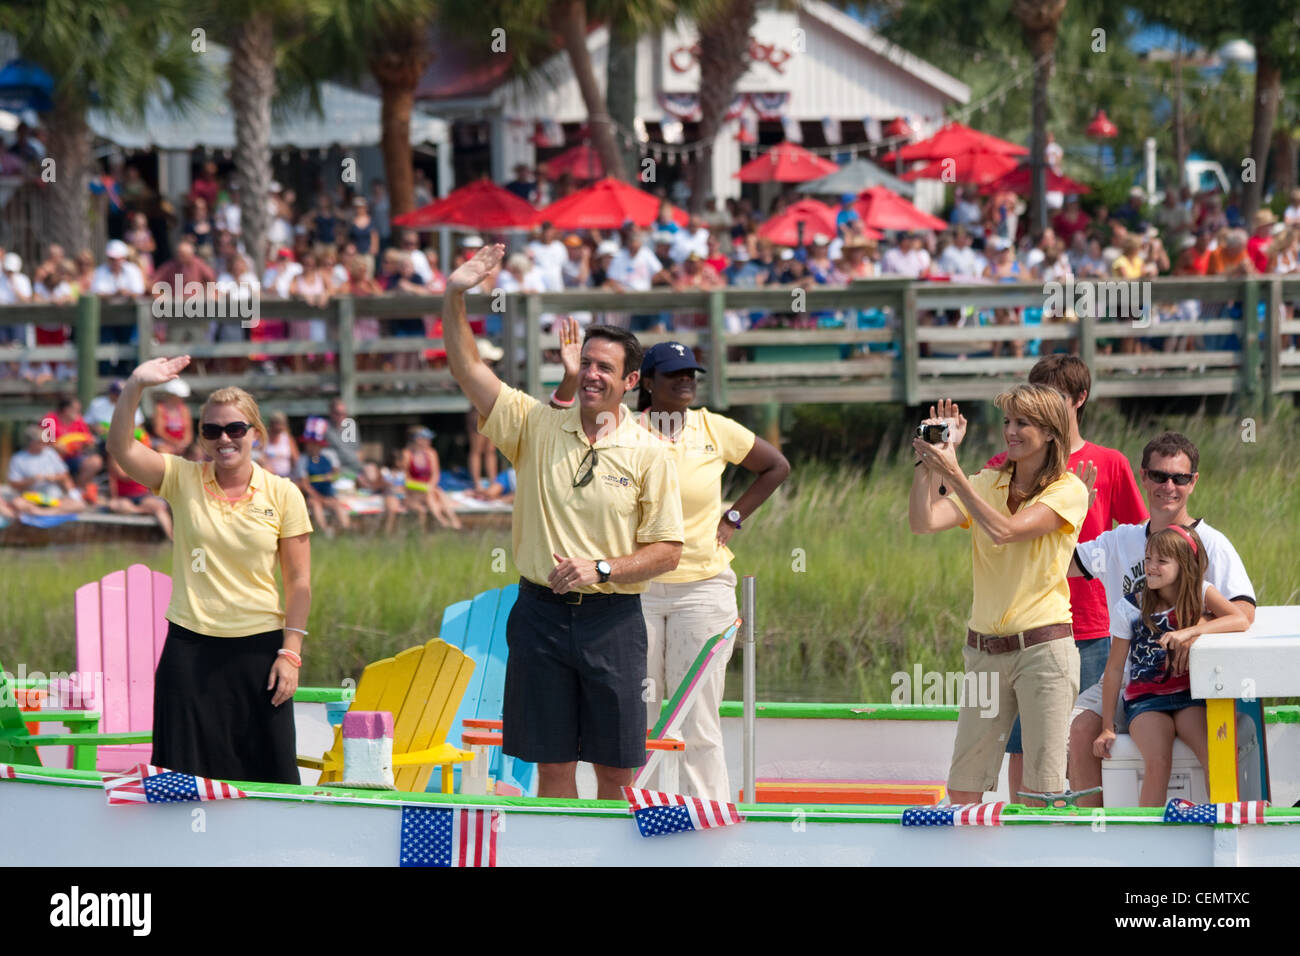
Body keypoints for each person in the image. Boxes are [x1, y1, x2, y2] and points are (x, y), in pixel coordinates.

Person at [441, 242, 684, 800]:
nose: (592, 375)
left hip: (615, 621)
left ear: (632, 382)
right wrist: (456, 294)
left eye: (605, 368)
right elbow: (467, 366)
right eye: (586, 364)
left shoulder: (651, 452)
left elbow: (668, 550)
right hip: (540, 618)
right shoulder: (535, 424)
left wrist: (600, 567)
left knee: (617, 775)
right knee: (551, 769)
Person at [553, 340, 789, 800]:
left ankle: (707, 816)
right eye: (674, 375)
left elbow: (776, 466)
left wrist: (733, 517)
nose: (686, 382)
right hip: (632, 591)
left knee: (697, 716)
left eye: (691, 375)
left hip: (703, 589)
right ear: (647, 384)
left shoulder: (715, 428)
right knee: (633, 712)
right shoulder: (620, 429)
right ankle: (635, 811)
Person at [943, 356, 1148, 803]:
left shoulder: (1107, 463)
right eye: (1011, 418)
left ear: (1076, 402)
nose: (1015, 427)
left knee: (1067, 750)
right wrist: (938, 466)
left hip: (1089, 626)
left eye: (1047, 399)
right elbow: (969, 515)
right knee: (1018, 748)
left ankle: (1066, 834)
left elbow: (1140, 541)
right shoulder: (1001, 466)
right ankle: (1020, 827)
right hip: (1008, 630)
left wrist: (1139, 617)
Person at [107, 356, 311, 784]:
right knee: (181, 778)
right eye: (212, 430)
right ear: (201, 436)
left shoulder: (283, 493)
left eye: (236, 428)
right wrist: (136, 385)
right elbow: (121, 449)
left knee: (272, 779)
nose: (224, 438)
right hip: (191, 649)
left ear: (255, 433)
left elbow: (298, 584)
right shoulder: (182, 478)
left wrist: (290, 654)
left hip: (260, 651)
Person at [909, 384, 1089, 803]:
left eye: (1023, 422)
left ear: (1050, 433)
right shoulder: (986, 482)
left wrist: (953, 472)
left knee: (1040, 790)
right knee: (963, 785)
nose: (1011, 430)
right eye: (1008, 421)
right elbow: (924, 521)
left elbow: (1006, 531)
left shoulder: (1068, 490)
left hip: (1044, 651)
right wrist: (927, 462)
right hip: (984, 651)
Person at [1065, 431, 1257, 806]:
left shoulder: (1212, 544)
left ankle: (1223, 830)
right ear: (1143, 477)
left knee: (1217, 739)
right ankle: (1093, 837)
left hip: (1194, 686)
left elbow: (1244, 612)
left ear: (1193, 482)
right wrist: (1071, 512)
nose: (1168, 486)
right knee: (1081, 729)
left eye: (1179, 478)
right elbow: (1057, 564)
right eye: (1159, 476)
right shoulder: (1119, 540)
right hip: (1130, 683)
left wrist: (1192, 633)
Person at [1092, 526, 1248, 806]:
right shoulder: (1129, 608)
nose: (1150, 567)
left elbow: (1240, 619)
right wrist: (1107, 726)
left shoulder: (1201, 592)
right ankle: (1150, 841)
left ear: (1184, 564)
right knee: (1158, 761)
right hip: (1145, 701)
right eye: (1148, 558)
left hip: (1189, 696)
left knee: (1215, 754)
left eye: (1161, 561)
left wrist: (1190, 631)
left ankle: (1224, 826)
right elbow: (1114, 668)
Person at [6, 424, 86, 514]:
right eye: (41, 441)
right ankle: (43, 512)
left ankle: (44, 512)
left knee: (80, 505)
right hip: (31, 498)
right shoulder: (18, 459)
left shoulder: (50, 453)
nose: (45, 443)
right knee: (17, 503)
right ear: (31, 442)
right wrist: (30, 481)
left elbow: (64, 475)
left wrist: (53, 478)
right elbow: (13, 483)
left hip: (53, 498)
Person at [295, 416, 351, 535]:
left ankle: (346, 530)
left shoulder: (329, 455)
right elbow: (304, 483)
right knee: (315, 505)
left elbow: (336, 472)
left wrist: (331, 476)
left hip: (328, 493)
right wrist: (318, 497)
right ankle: (325, 531)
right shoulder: (303, 460)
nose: (309, 446)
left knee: (337, 505)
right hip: (312, 495)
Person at [401, 426, 461, 531]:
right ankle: (443, 521)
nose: (429, 441)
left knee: (437, 493)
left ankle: (451, 521)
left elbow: (435, 474)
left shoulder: (431, 453)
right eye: (426, 438)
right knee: (431, 494)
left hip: (429, 489)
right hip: (413, 490)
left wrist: (430, 486)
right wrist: (423, 487)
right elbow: (404, 478)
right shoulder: (406, 454)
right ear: (418, 440)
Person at [151, 379, 194, 456]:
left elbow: (188, 431)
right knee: (163, 452)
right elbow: (159, 431)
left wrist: (184, 444)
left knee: (197, 452)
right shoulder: (160, 408)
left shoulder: (184, 409)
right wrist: (175, 443)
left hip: (181, 445)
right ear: (172, 395)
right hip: (164, 443)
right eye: (179, 396)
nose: (182, 399)